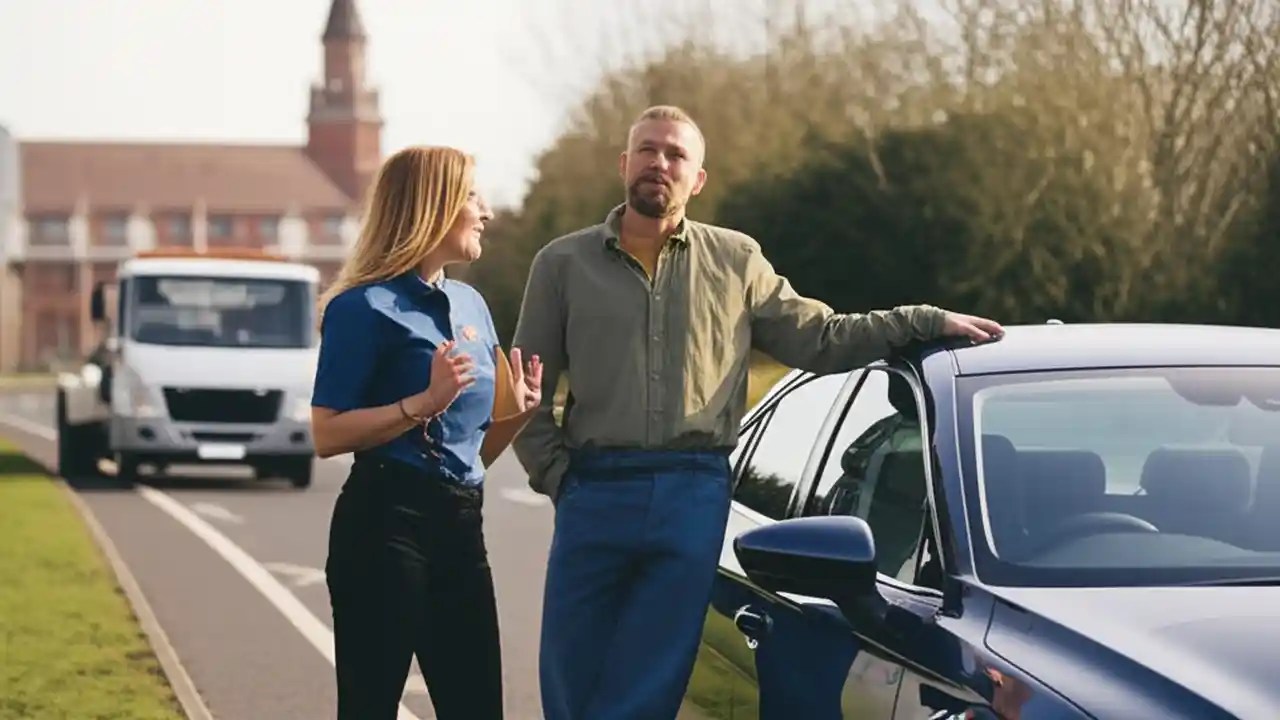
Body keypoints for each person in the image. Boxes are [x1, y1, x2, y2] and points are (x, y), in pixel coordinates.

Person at [511, 105, 1004, 720]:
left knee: (648, 687)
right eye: (647, 150)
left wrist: (922, 322)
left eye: (675, 155)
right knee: (572, 675)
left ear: (698, 179)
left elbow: (820, 338)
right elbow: (521, 386)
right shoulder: (561, 264)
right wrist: (560, 479)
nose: (658, 164)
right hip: (594, 487)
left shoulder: (736, 260)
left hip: (691, 494)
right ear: (624, 164)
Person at [310, 145, 543, 720]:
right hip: (384, 525)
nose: (486, 210)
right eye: (472, 195)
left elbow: (472, 453)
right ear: (431, 205)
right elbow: (326, 433)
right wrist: (422, 403)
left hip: (462, 527)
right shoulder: (361, 307)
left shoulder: (472, 305)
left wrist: (519, 414)